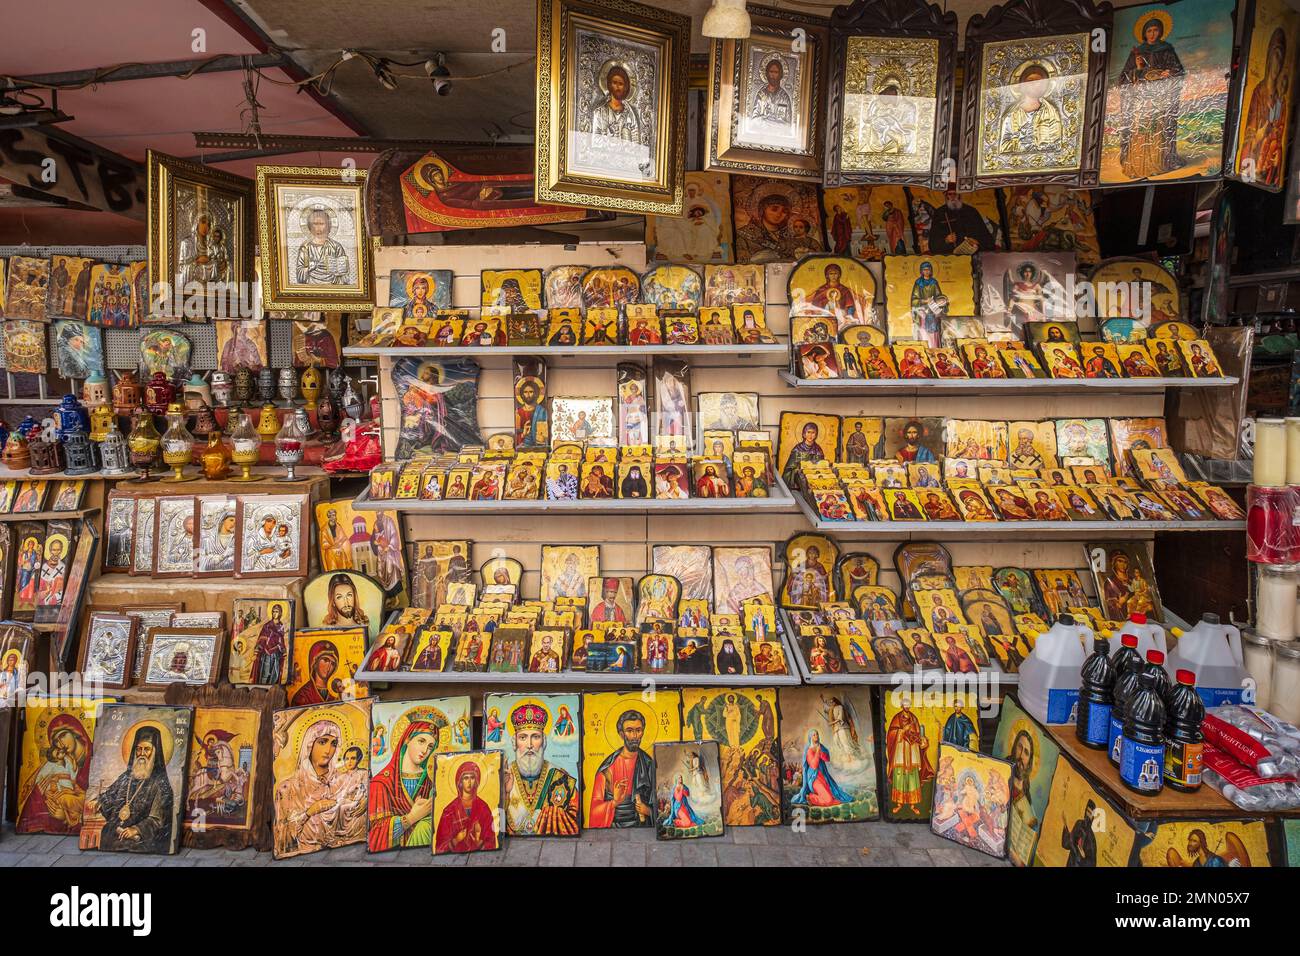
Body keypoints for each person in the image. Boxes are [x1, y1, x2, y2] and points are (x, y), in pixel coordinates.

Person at [85, 724, 175, 853]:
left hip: (141, 840)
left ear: (155, 752)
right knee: (107, 835)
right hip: (116, 832)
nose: (142, 754)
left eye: (147, 749)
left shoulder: (161, 783)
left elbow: (157, 820)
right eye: (139, 749)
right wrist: (99, 801)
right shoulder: (127, 777)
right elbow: (111, 795)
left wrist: (136, 829)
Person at [1117, 17, 1186, 179]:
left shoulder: (1167, 49)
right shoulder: (1137, 52)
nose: (1152, 34)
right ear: (1144, 33)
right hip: (1141, 100)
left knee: (1158, 128)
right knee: (1141, 129)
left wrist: (1169, 73)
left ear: (1161, 31)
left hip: (1160, 98)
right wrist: (1139, 69)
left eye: (1155, 30)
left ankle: (1158, 162)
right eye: (1149, 30)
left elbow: (1179, 71)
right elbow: (1123, 78)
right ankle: (1139, 164)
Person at [502, 702, 578, 836]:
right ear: (514, 742)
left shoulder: (560, 777)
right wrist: (505, 794)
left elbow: (574, 816)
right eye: (523, 737)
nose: (529, 745)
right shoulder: (504, 776)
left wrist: (558, 816)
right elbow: (492, 824)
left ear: (544, 741)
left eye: (535, 737)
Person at [367, 719, 437, 851]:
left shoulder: (430, 780)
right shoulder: (381, 783)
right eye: (421, 741)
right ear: (407, 740)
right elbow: (375, 837)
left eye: (430, 746)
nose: (425, 750)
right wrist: (412, 817)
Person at [17, 713, 91, 834]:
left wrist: (66, 817)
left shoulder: (93, 755)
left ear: (76, 730)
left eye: (62, 735)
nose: (60, 744)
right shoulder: (56, 763)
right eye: (56, 741)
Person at [588, 710, 655, 828]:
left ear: (643, 732)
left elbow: (660, 806)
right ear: (621, 734)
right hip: (613, 828)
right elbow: (594, 812)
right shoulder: (607, 768)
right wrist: (615, 802)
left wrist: (649, 811)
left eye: (638, 730)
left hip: (641, 827)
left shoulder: (649, 764)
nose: (634, 736)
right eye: (629, 731)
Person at [998, 63, 1063, 155]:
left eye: (1039, 82)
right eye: (1030, 80)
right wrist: (1021, 142)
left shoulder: (1051, 112)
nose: (1034, 84)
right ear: (1022, 85)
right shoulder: (1012, 114)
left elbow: (1057, 143)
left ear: (1045, 86)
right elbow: (1003, 146)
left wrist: (1038, 144)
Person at [886, 700, 933, 816]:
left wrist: (922, 740)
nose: (907, 707)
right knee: (899, 774)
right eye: (905, 705)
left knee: (912, 775)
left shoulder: (914, 718)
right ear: (902, 706)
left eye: (908, 705)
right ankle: (899, 804)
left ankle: (913, 804)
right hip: (900, 749)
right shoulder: (897, 717)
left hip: (912, 750)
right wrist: (902, 731)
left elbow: (919, 733)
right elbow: (891, 734)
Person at [792, 729, 854, 808]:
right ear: (810, 737)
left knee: (833, 797)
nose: (816, 736)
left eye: (817, 734)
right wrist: (818, 751)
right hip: (814, 778)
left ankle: (817, 798)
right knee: (828, 800)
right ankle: (811, 797)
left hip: (823, 776)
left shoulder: (820, 746)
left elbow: (827, 759)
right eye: (814, 735)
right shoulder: (809, 751)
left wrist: (821, 752)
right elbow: (814, 765)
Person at [295, 207, 350, 286]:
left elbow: (345, 276)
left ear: (328, 225)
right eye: (315, 224)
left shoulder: (336, 247)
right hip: (311, 287)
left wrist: (336, 270)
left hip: (333, 287)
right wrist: (311, 266)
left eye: (321, 224)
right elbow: (299, 277)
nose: (318, 228)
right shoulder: (305, 248)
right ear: (310, 226)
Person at [251, 603, 288, 685]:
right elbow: (261, 639)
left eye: (277, 611)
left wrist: (283, 651)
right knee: (265, 673)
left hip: (276, 653)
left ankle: (271, 689)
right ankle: (262, 689)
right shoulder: (267, 626)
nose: (275, 613)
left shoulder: (281, 626)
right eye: (273, 611)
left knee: (275, 674)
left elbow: (281, 640)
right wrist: (256, 652)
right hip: (266, 653)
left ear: (280, 613)